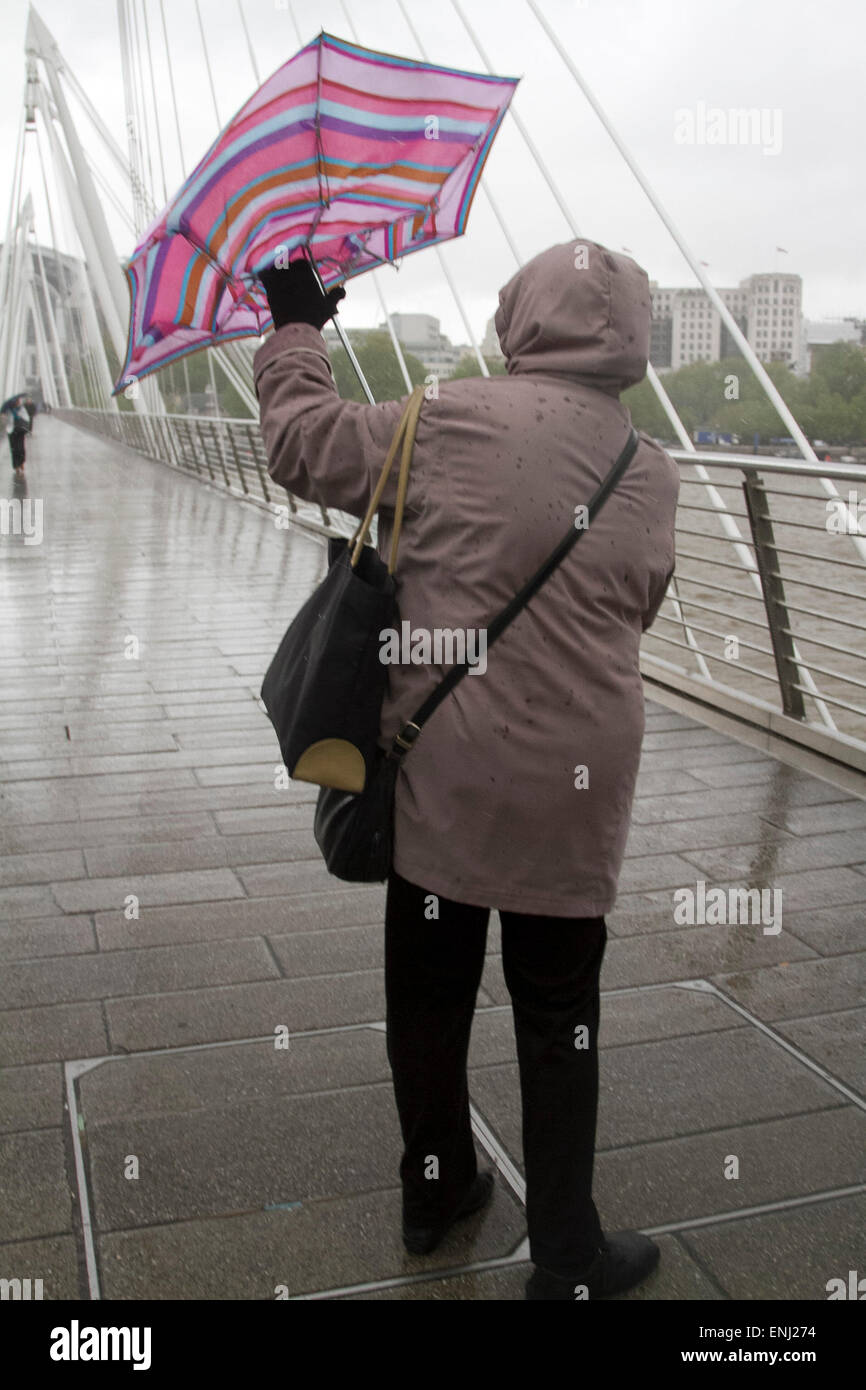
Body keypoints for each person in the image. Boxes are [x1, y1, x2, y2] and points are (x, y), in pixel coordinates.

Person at [254, 241, 680, 1301]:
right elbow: (640, 604)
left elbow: (302, 445)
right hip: (575, 787)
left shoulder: (440, 418)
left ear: (518, 316)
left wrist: (298, 328)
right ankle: (568, 1254)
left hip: (443, 769)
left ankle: (436, 1189)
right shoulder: (651, 469)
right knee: (558, 1008)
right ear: (628, 336)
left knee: (430, 996)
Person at [2, 395, 31, 474]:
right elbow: (5, 420)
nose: (17, 403)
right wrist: (4, 416)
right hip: (11, 430)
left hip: (20, 431)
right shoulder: (8, 410)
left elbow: (27, 418)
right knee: (14, 448)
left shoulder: (21, 409)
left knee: (20, 448)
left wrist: (19, 417)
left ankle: (21, 463)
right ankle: (16, 466)